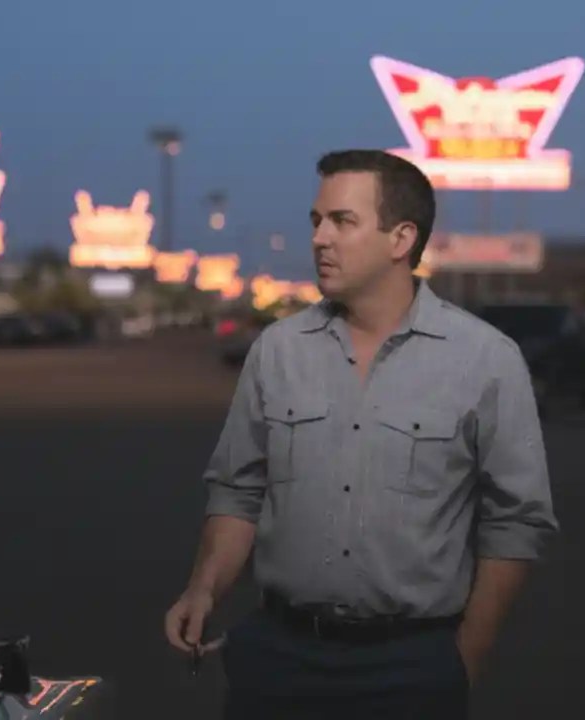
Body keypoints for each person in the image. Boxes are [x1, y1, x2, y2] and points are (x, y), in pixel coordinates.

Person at [163, 149, 558, 719]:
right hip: (279, 661)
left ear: (401, 239)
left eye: (342, 222)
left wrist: (465, 658)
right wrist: (203, 589)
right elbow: (239, 490)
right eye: (316, 221)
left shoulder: (487, 361)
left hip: (412, 668)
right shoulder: (279, 352)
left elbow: (517, 521)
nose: (320, 238)